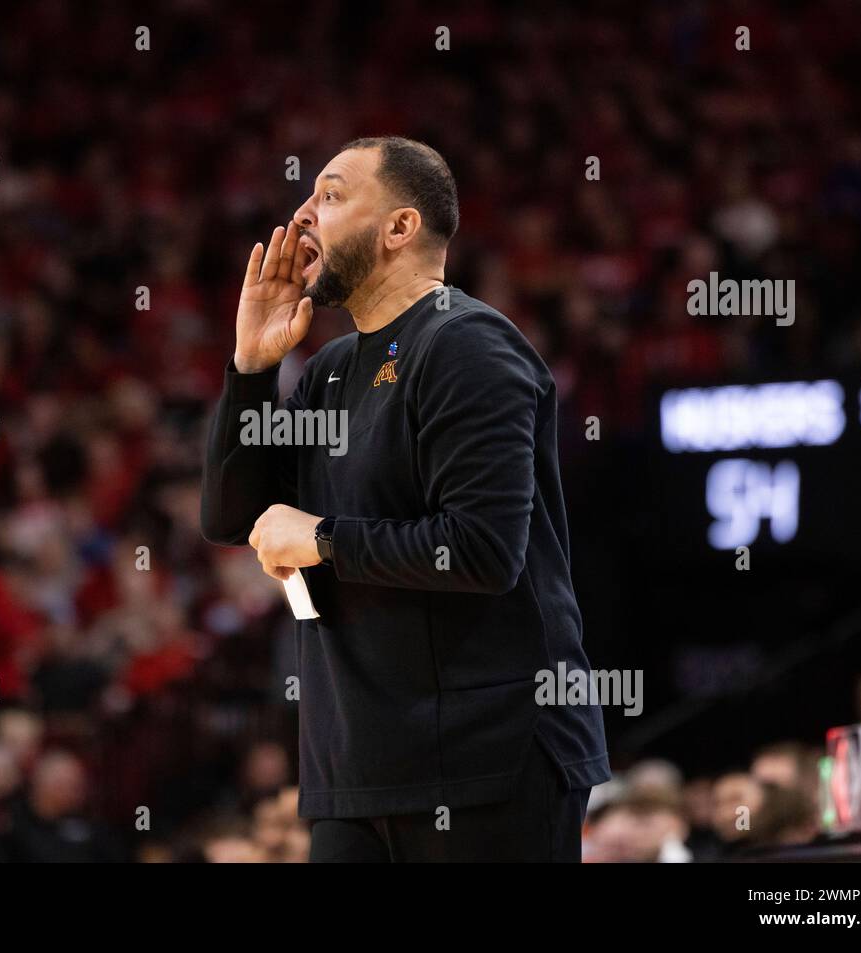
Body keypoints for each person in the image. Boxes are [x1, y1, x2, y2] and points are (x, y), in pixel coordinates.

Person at [200, 136, 610, 861]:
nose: (301, 217)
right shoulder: (328, 371)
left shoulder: (468, 345)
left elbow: (482, 550)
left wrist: (325, 539)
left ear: (399, 228)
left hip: (490, 758)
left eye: (329, 195)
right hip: (356, 768)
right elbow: (232, 516)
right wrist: (252, 367)